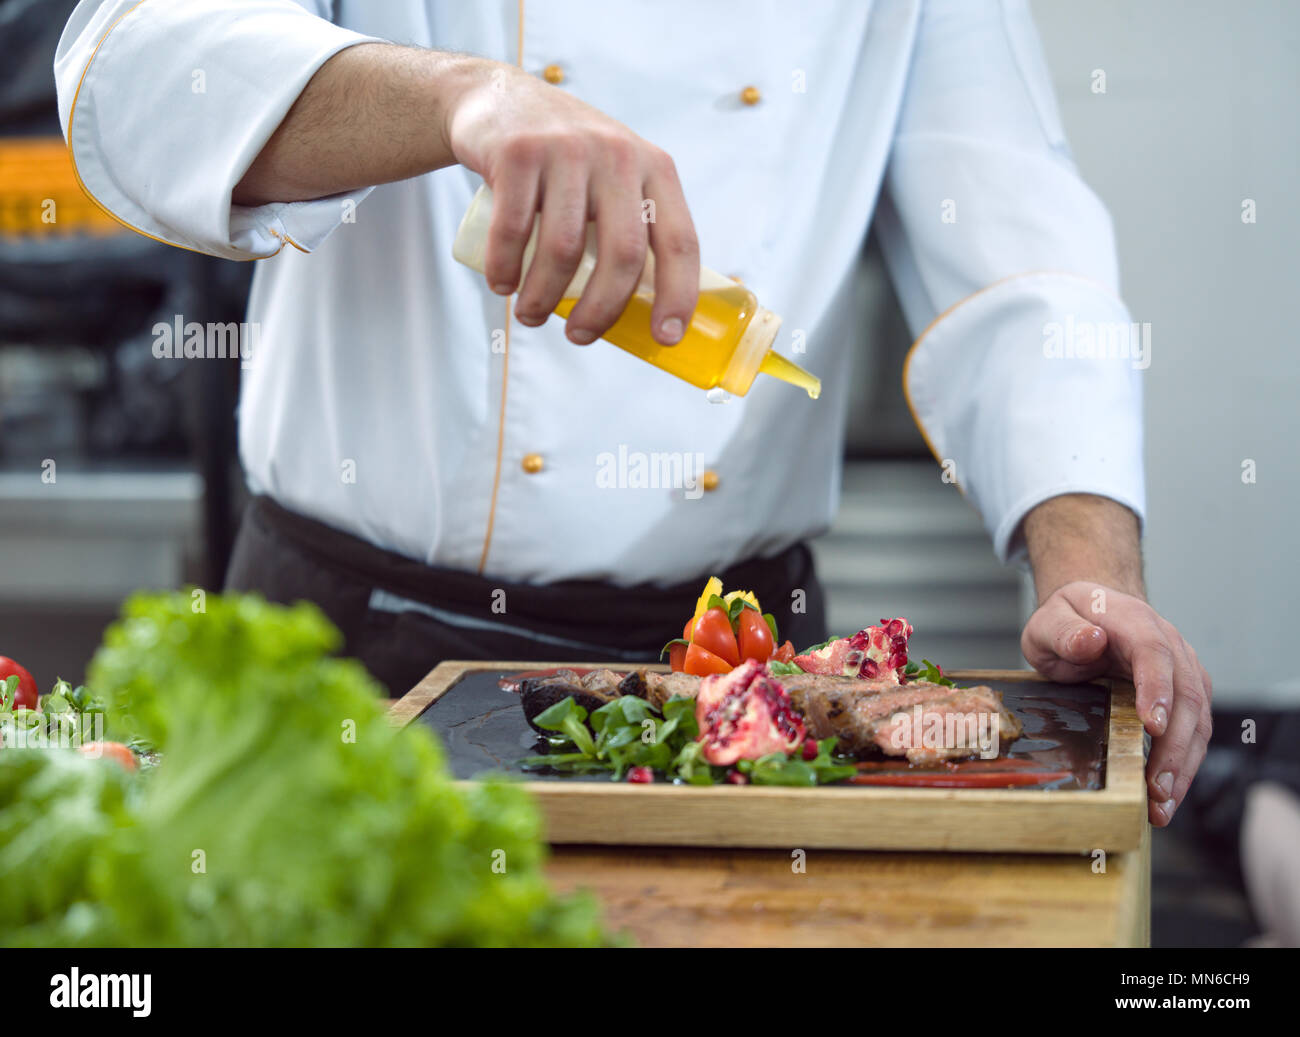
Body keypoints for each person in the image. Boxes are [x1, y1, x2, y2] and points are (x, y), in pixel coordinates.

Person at [54, 0, 1210, 827]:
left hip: (736, 674)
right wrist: (462, 96)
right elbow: (133, 61)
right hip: (354, 649)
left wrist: (1090, 572)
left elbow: (1017, 255)